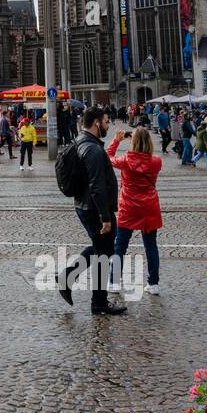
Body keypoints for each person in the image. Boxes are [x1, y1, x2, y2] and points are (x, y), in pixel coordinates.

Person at [59, 106, 126, 315]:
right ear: (97, 122)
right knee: (104, 253)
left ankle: (69, 277)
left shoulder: (82, 142)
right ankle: (98, 303)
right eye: (106, 121)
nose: (108, 124)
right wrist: (105, 217)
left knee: (101, 248)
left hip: (84, 205)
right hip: (94, 208)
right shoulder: (93, 149)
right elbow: (97, 186)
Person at [106, 126, 163, 296]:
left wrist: (116, 140)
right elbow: (144, 159)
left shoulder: (125, 160)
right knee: (151, 246)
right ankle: (153, 283)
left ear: (133, 141)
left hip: (128, 207)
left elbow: (107, 157)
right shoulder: (156, 161)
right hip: (149, 207)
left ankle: (114, 282)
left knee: (120, 246)